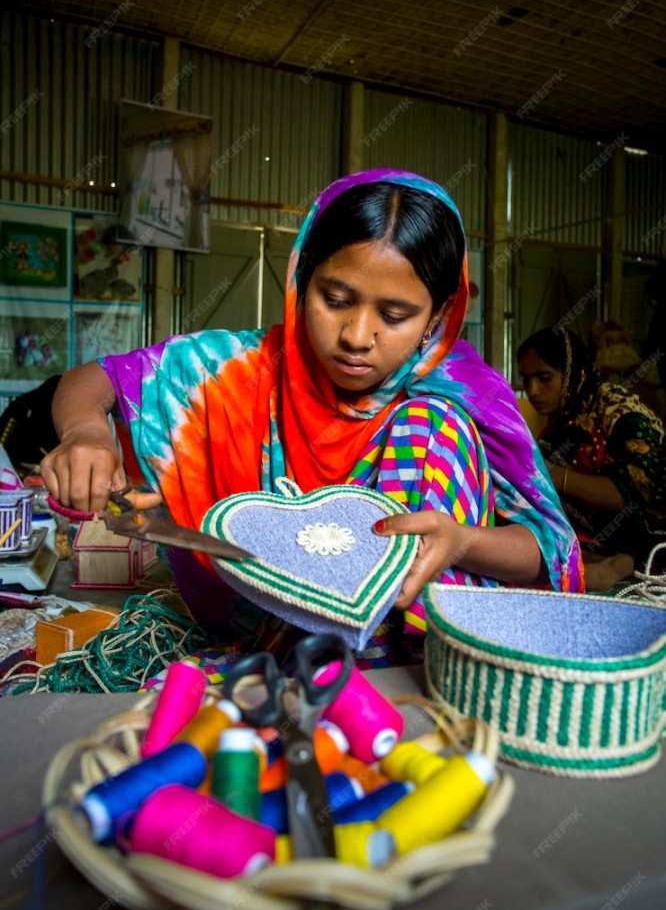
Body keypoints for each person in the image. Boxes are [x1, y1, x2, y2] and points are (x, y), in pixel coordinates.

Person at [41, 169, 582, 645]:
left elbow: (548, 550)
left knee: (428, 424)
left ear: (437, 317)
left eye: (394, 316)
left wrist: (462, 541)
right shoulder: (235, 370)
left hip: (410, 647)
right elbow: (97, 378)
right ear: (301, 279)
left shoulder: (466, 395)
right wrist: (86, 432)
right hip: (255, 632)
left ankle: (383, 661)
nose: (356, 336)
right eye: (336, 300)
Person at [518, 327, 665, 590]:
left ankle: (618, 560)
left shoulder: (622, 414)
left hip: (644, 531)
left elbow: (631, 493)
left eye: (544, 378)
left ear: (573, 374)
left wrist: (550, 474)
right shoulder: (566, 418)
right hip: (594, 534)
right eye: (526, 379)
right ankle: (589, 558)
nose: (533, 390)